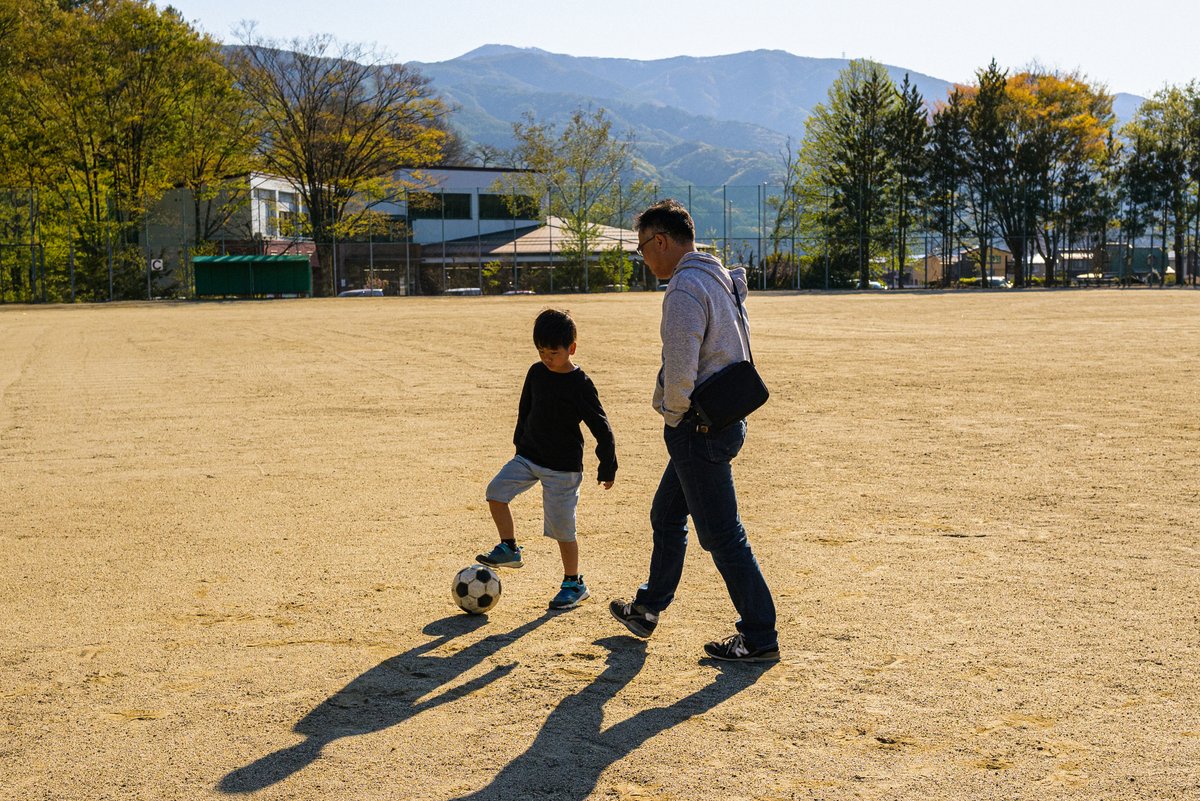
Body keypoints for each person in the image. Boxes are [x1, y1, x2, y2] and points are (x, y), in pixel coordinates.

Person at [609, 199, 779, 663]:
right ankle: (646, 609)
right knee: (666, 516)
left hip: (697, 427)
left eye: (643, 248)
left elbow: (681, 367)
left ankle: (760, 635)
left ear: (660, 240)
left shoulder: (684, 289)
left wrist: (672, 415)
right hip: (725, 416)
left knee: (723, 535)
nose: (643, 259)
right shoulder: (716, 275)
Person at [477, 308, 617, 610]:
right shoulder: (536, 372)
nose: (546, 358)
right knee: (495, 493)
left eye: (553, 352)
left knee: (562, 529)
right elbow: (525, 409)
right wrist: (519, 444)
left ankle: (573, 583)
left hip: (563, 469)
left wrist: (608, 464)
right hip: (528, 456)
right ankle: (509, 547)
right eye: (541, 351)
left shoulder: (580, 384)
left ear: (572, 349)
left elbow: (601, 426)